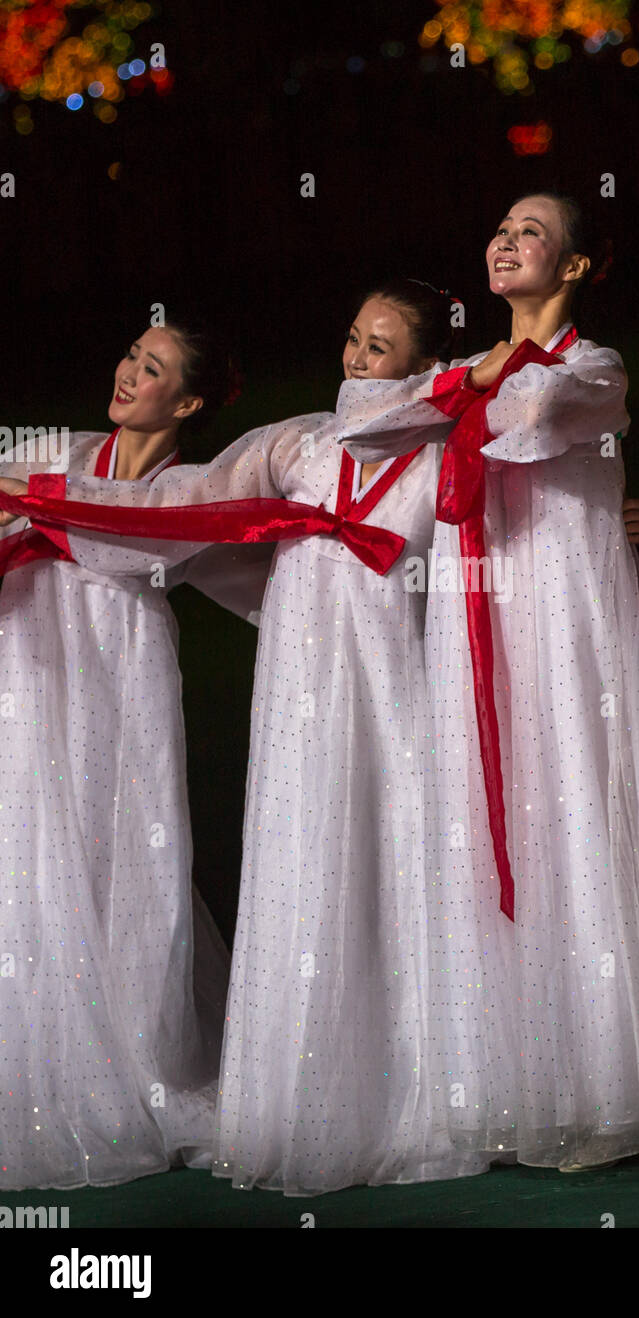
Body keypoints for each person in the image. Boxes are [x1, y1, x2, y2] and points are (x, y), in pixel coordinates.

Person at [0, 281, 489, 1194]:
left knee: (150, 859)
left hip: (297, 674)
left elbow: (215, 547)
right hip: (46, 663)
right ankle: (46, 1055)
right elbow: (206, 518)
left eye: (377, 346)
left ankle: (409, 1070)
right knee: (32, 852)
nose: (353, 356)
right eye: (350, 336)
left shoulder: (426, 460)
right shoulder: (285, 443)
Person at [339, 195, 639, 1171]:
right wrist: (470, 377)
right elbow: (364, 427)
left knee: (583, 802)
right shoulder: (473, 372)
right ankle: (521, 1077)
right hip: (476, 621)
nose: (505, 239)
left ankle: (630, 1075)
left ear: (577, 266)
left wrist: (470, 381)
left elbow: (533, 415)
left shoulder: (594, 367)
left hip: (568, 619)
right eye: (498, 226)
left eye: (532, 230)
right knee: (497, 821)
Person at [0, 324, 235, 1188]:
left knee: (127, 851)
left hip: (120, 673)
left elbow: (119, 538)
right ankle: (33, 1062)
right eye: (132, 357)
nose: (128, 375)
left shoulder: (183, 487)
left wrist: (37, 503)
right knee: (28, 847)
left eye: (154, 369)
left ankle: (136, 1059)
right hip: (29, 658)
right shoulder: (60, 449)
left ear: (188, 401)